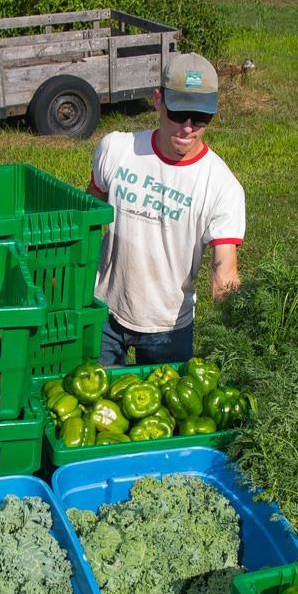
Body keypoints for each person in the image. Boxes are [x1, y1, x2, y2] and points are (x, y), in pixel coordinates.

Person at [87, 52, 244, 367]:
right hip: (103, 313)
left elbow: (223, 271)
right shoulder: (116, 149)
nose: (188, 128)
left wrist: (240, 329)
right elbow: (86, 220)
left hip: (169, 329)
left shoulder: (222, 185)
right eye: (179, 112)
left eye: (200, 118)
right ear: (158, 99)